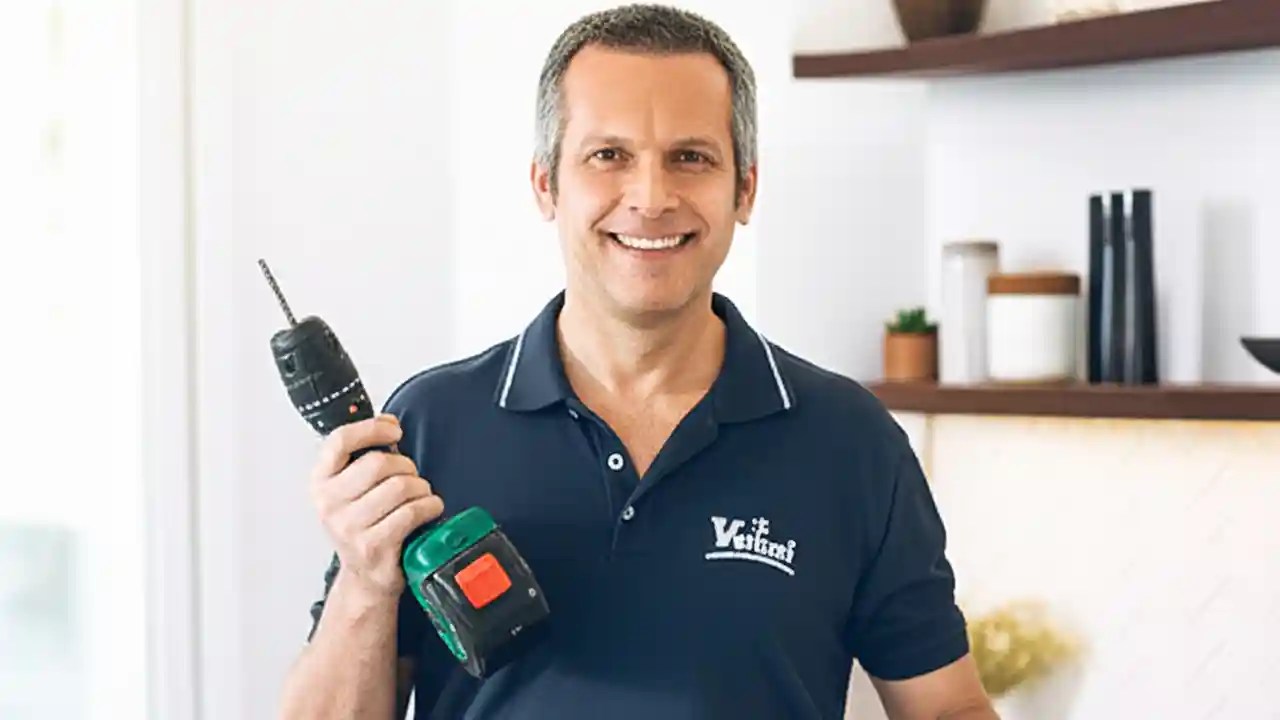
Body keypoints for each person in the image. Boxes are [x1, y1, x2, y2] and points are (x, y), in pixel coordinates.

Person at [279, 4, 998, 719]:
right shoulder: (430, 426)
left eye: (691, 157)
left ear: (744, 188)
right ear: (545, 185)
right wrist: (365, 585)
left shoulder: (850, 441)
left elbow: (945, 708)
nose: (652, 197)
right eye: (608, 155)